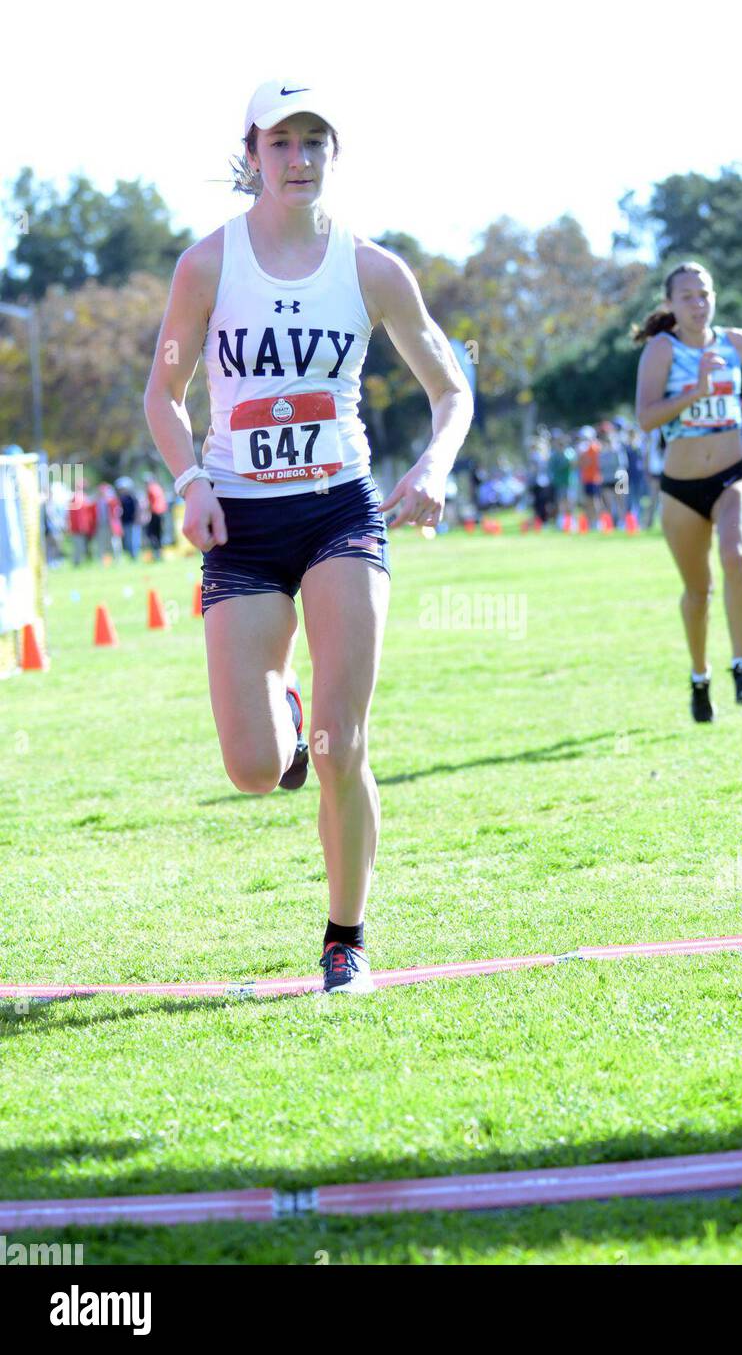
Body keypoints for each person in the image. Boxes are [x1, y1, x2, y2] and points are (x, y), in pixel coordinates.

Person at [143, 79, 472, 994]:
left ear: (336, 153)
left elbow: (451, 389)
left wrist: (434, 467)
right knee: (255, 770)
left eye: (314, 142)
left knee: (342, 739)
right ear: (251, 153)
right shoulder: (206, 266)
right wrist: (190, 479)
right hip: (240, 523)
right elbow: (161, 396)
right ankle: (278, 721)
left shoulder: (372, 270)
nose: (297, 159)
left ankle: (345, 940)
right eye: (280, 143)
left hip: (339, 509)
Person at [634, 262, 742, 721]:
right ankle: (700, 678)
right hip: (681, 488)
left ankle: (741, 665)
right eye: (687, 297)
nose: (698, 304)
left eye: (705, 294)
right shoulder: (662, 350)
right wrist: (695, 391)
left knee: (736, 554)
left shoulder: (737, 342)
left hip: (735, 473)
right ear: (670, 304)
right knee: (697, 591)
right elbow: (645, 418)